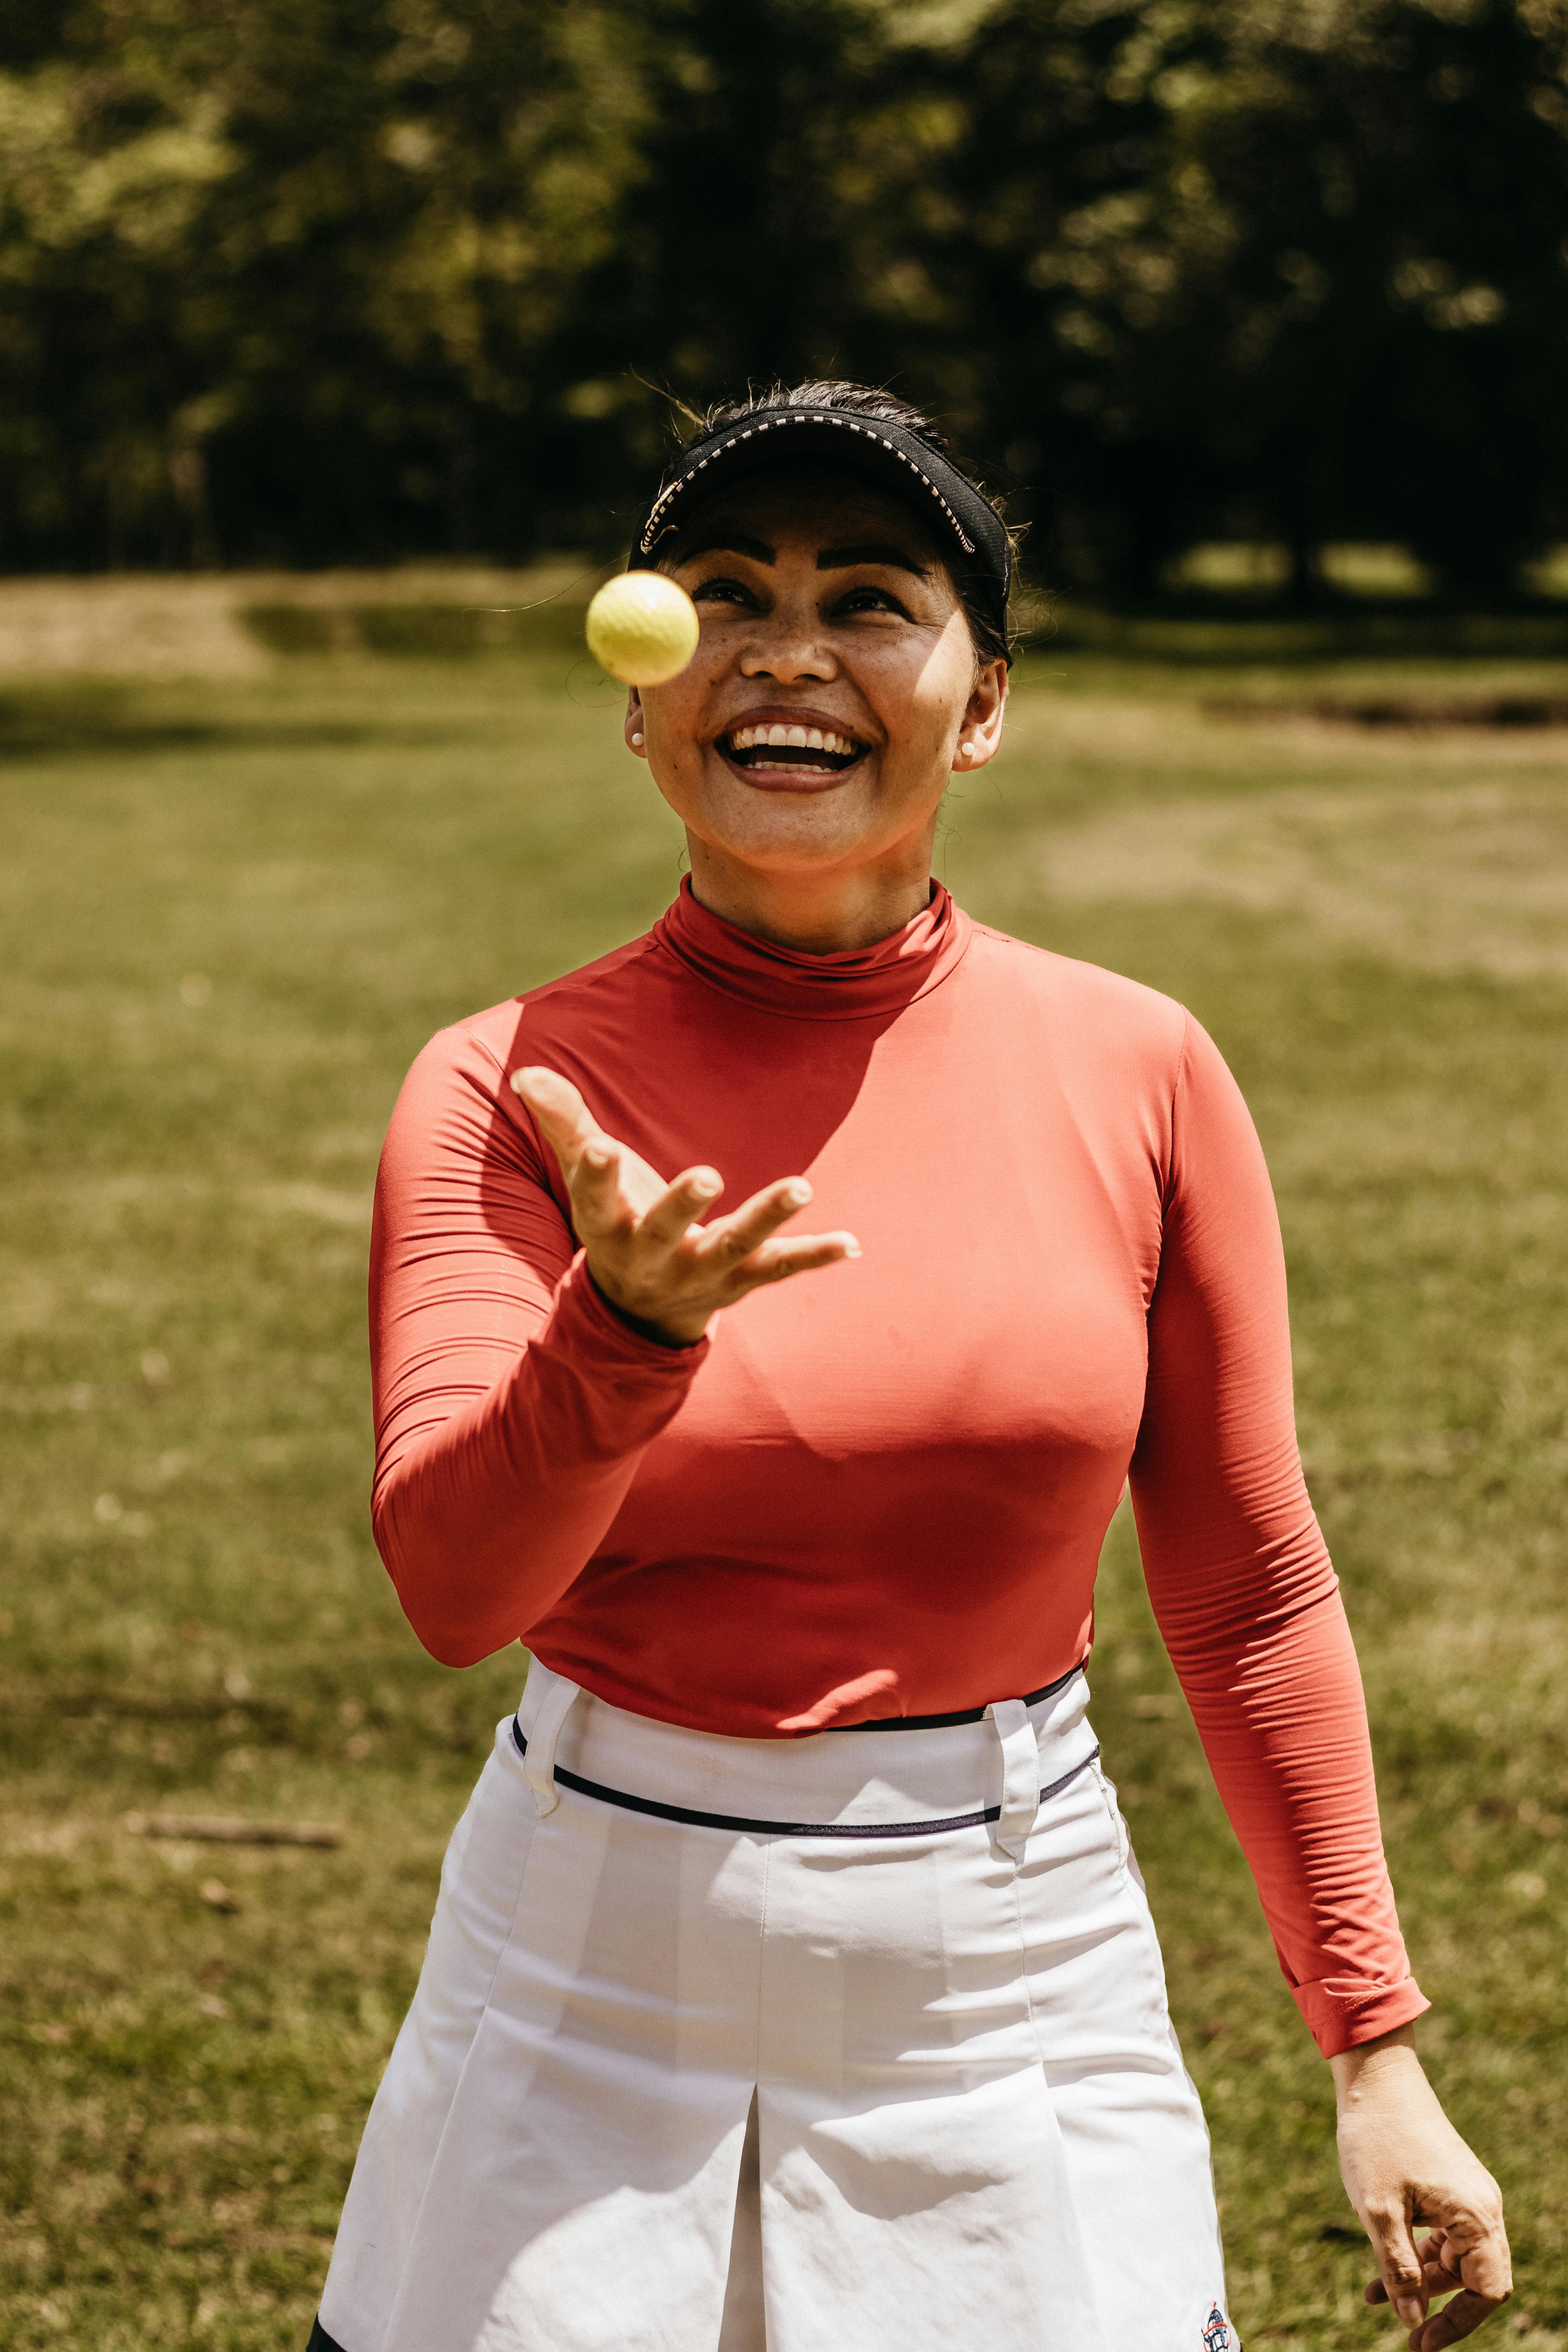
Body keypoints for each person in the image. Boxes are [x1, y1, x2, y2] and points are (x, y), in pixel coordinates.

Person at [307, 381, 1511, 2352]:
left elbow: (1247, 1577)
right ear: (641, 695)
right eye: (720, 594)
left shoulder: (1138, 1065)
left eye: (871, 598)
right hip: (587, 1960)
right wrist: (619, 1338)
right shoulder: (498, 1082)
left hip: (1014, 1968)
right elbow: (454, 1595)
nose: (787, 652)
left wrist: (1372, 2043)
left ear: (985, 701)